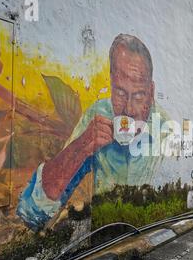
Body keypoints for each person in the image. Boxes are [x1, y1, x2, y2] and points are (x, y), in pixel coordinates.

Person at [17, 34, 166, 231]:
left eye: (139, 95)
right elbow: (31, 213)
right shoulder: (98, 116)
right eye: (120, 93)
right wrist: (81, 148)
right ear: (111, 85)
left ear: (151, 91)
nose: (129, 110)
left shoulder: (165, 130)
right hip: (103, 234)